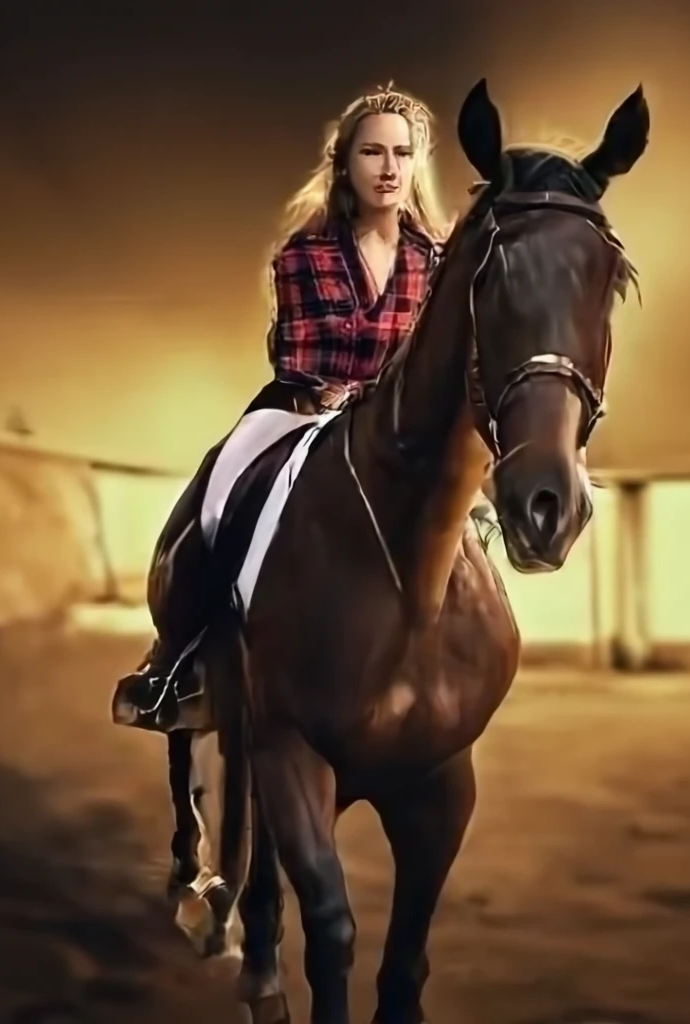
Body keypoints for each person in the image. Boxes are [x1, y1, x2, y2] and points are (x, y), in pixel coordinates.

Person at [113, 83, 448, 733]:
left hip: (396, 427)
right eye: (372, 152)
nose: (388, 168)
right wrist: (343, 398)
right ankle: (174, 663)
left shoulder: (436, 261)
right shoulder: (304, 253)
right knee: (216, 497)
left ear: (415, 165)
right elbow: (296, 352)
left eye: (402, 154)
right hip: (301, 408)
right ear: (345, 163)